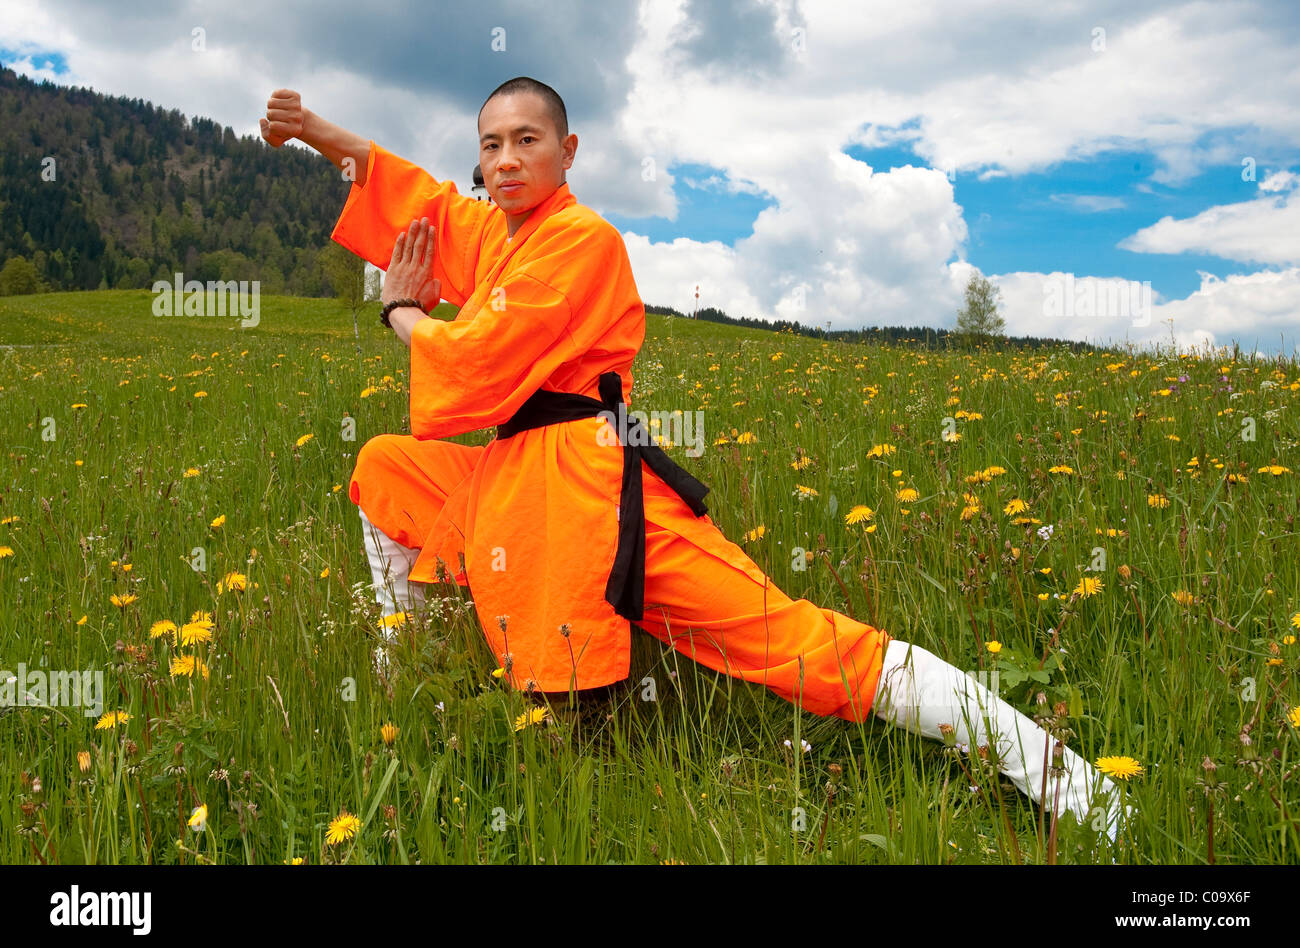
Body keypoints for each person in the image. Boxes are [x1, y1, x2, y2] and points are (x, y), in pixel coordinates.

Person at [260, 78, 1131, 845]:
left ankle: (1074, 787)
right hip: (514, 477)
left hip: (592, 486)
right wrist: (316, 132)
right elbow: (420, 198)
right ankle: (411, 666)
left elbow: (479, 361)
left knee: (793, 641)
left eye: (527, 139)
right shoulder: (497, 236)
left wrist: (403, 313)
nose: (507, 159)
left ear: (569, 150)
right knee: (387, 465)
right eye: (491, 145)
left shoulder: (581, 239)